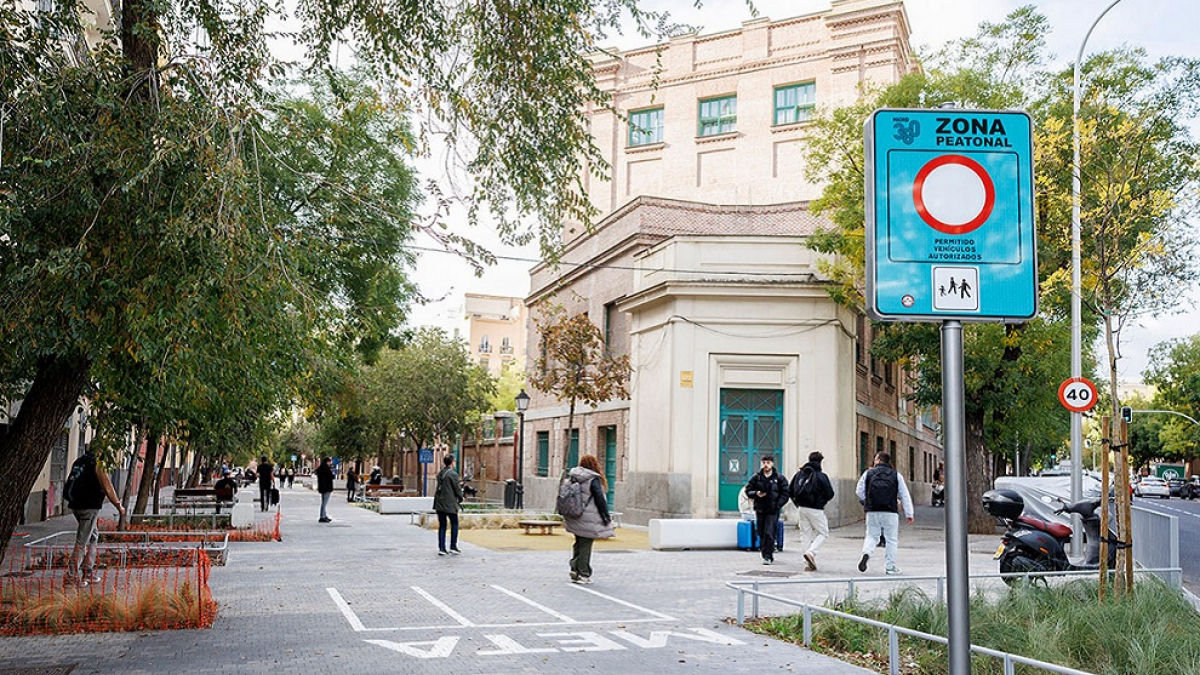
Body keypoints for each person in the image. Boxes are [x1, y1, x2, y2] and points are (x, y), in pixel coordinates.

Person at [65, 448, 125, 587]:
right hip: (89, 508)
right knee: (82, 541)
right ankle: (71, 576)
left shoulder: (79, 461)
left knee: (93, 536)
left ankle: (88, 571)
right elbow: (107, 487)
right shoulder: (98, 464)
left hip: (75, 505)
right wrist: (118, 506)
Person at [856, 451, 914, 575]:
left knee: (872, 535)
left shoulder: (868, 473)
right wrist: (909, 514)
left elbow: (859, 490)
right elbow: (904, 494)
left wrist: (867, 501)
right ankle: (890, 566)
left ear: (878, 460)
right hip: (890, 511)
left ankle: (866, 553)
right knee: (891, 539)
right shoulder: (896, 475)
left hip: (872, 511)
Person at [563, 454, 614, 584]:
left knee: (579, 542)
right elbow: (599, 498)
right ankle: (583, 573)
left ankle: (575, 569)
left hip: (575, 514)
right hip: (589, 516)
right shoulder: (593, 479)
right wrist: (605, 516)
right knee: (586, 544)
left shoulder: (574, 476)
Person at [789, 451, 835, 571]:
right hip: (816, 509)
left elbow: (790, 490)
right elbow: (830, 493)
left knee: (805, 534)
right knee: (824, 532)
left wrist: (797, 504)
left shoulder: (800, 474)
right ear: (820, 462)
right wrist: (821, 502)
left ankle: (807, 563)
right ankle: (811, 552)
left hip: (801, 508)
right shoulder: (821, 476)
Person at [744, 455, 789, 565]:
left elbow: (786, 493)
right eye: (764, 462)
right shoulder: (757, 477)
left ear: (772, 463)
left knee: (769, 532)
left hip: (773, 510)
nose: (766, 465)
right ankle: (765, 552)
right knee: (761, 532)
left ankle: (768, 555)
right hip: (760, 509)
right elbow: (748, 490)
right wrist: (756, 494)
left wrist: (778, 505)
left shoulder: (779, 478)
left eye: (768, 462)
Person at [433, 454, 463, 555]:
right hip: (449, 503)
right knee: (454, 523)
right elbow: (457, 489)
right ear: (451, 462)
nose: (455, 463)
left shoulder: (441, 473)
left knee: (442, 525)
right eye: (454, 461)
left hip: (439, 503)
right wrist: (461, 497)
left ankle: (442, 548)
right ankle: (453, 546)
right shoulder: (453, 474)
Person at [315, 457, 335, 522]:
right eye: (330, 462)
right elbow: (332, 476)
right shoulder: (326, 469)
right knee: (324, 503)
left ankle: (324, 515)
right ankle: (322, 516)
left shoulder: (320, 468)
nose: (330, 463)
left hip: (322, 487)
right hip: (327, 487)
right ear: (327, 462)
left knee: (323, 502)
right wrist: (332, 472)